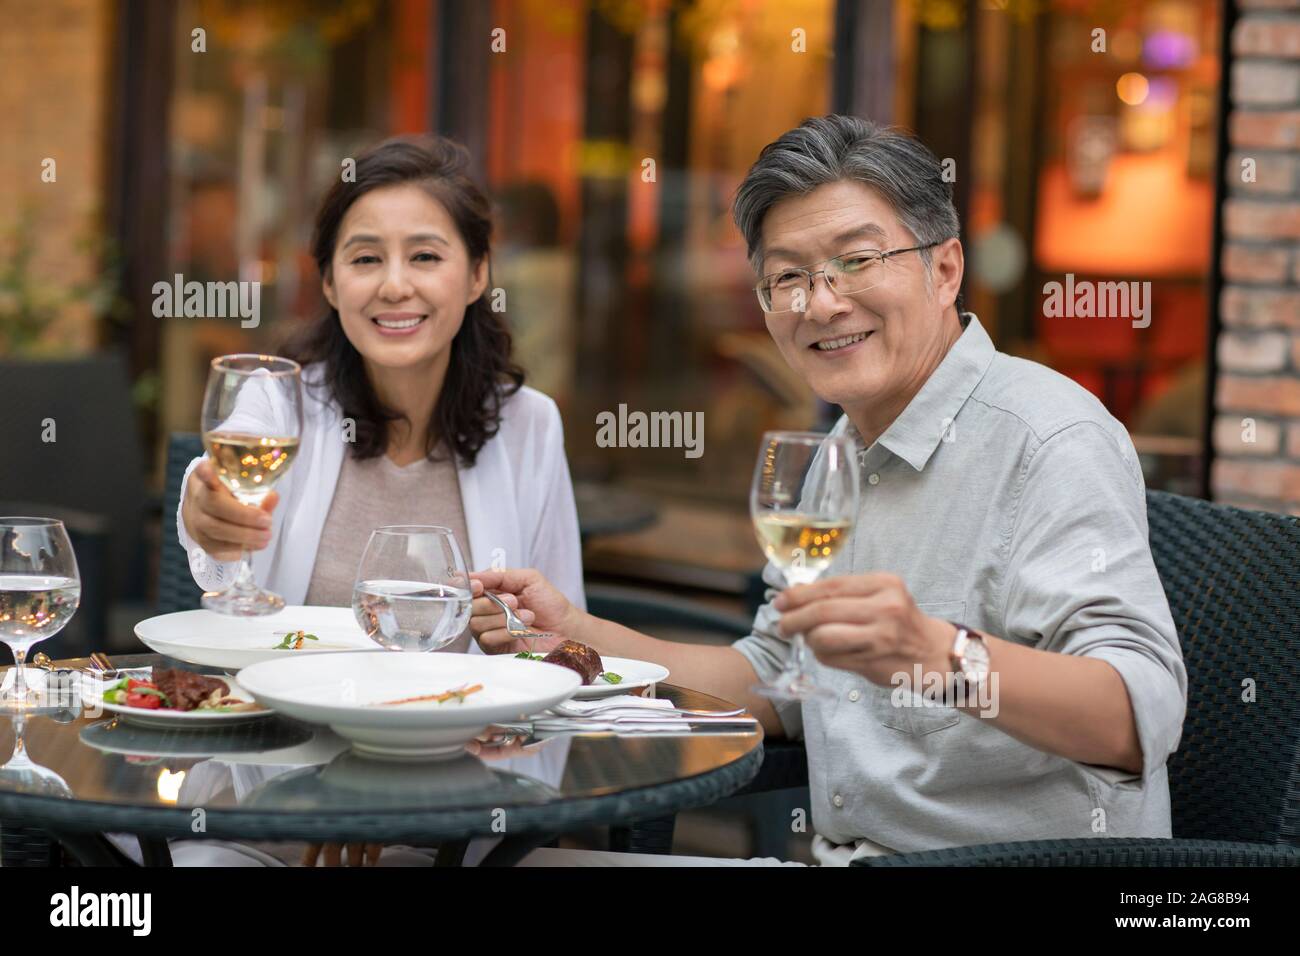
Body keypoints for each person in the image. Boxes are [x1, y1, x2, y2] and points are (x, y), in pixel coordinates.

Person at [469, 115, 1187, 866]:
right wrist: (573, 634)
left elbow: (1137, 717)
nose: (821, 303)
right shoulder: (838, 452)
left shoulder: (1048, 439)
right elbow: (780, 677)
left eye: (857, 260)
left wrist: (937, 654)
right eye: (788, 277)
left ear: (945, 270)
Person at [164, 134, 584, 866]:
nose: (395, 285)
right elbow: (217, 494)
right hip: (265, 822)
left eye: (425, 256)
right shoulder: (278, 401)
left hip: (449, 823)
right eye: (364, 258)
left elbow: (558, 654)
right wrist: (210, 515)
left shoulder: (529, 425)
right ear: (328, 282)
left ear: (478, 273)